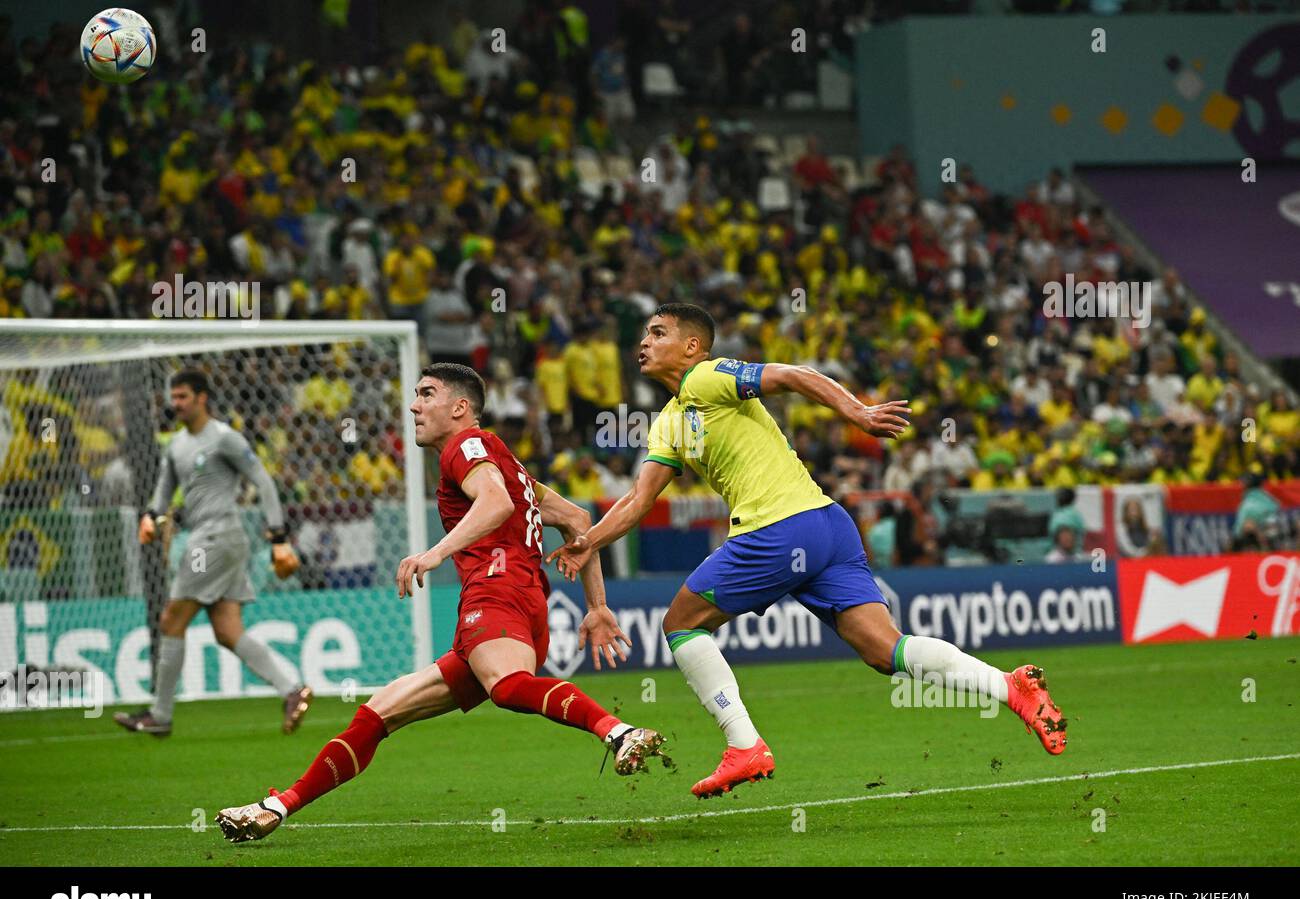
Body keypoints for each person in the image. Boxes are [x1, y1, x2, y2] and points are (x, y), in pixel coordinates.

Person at [548, 303, 1068, 799]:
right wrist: (586, 541)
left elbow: (793, 374)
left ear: (692, 347)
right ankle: (1010, 687)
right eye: (644, 333)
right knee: (884, 650)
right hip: (827, 526)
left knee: (682, 624)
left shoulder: (705, 377)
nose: (643, 341)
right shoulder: (669, 420)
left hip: (777, 528)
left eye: (658, 332)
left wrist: (857, 412)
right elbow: (639, 502)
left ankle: (744, 745)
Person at [215, 364, 664, 843]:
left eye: (427, 394)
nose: (414, 406)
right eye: (415, 395)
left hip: (498, 591)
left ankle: (618, 732)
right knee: (379, 711)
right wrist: (596, 605)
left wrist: (434, 553)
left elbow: (496, 504)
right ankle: (276, 807)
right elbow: (577, 519)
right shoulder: (502, 459)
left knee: (510, 688)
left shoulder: (465, 446)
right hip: (519, 599)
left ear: (460, 408)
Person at [114, 370, 311, 737]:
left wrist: (279, 537)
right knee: (227, 630)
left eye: (183, 396)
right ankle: (292, 689)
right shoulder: (175, 446)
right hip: (212, 539)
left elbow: (263, 482)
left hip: (214, 540)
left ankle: (160, 714)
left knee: (172, 619)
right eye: (173, 397)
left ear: (202, 398)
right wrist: (150, 516)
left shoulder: (224, 438)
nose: (176, 404)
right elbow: (162, 493)